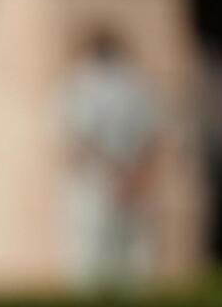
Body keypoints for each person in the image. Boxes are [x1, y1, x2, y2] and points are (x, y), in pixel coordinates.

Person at [61, 30, 159, 287]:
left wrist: (116, 174)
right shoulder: (139, 85)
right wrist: (132, 175)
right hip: (129, 183)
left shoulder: (82, 85)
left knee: (91, 262)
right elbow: (151, 139)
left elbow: (78, 141)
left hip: (96, 185)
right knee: (129, 265)